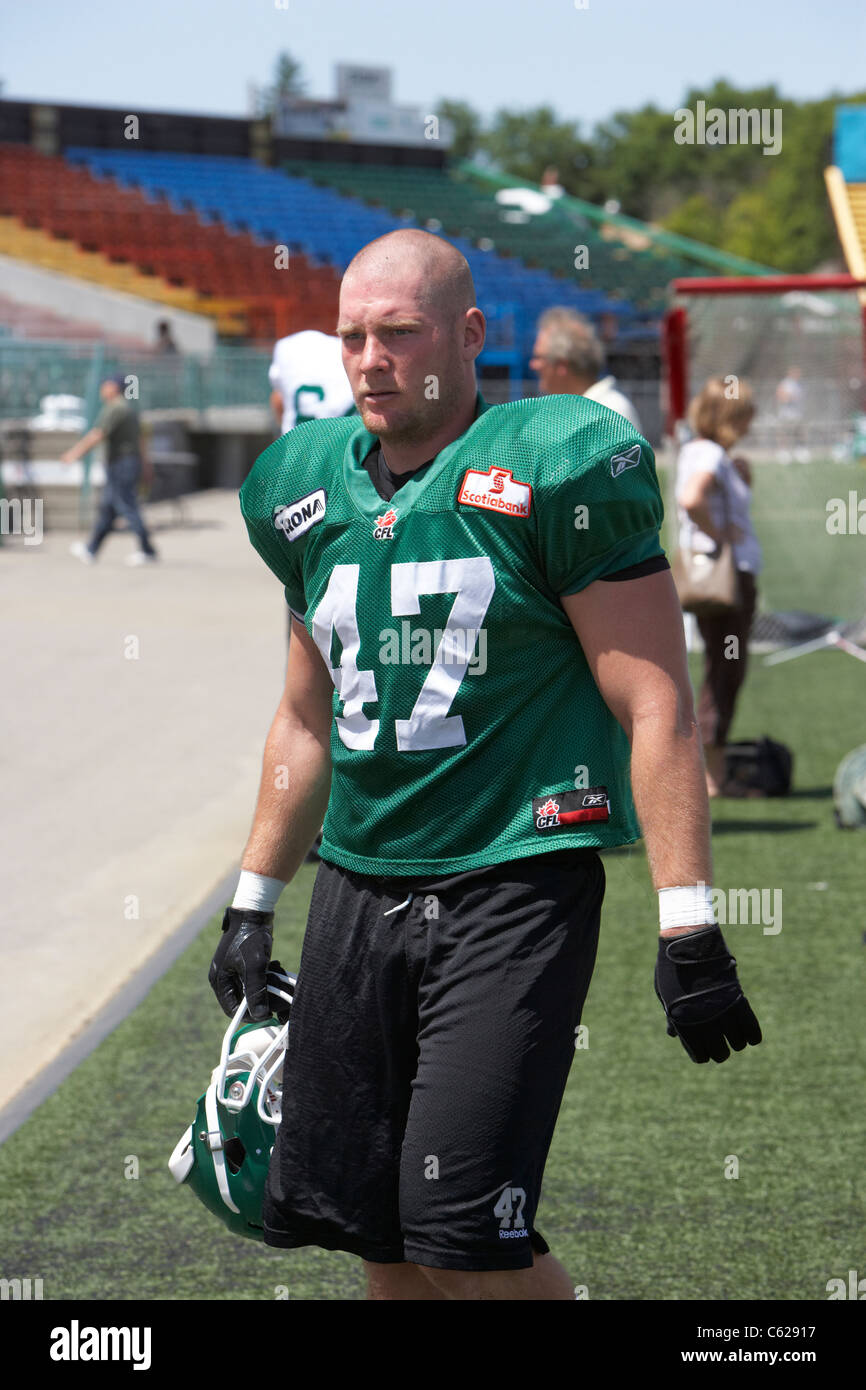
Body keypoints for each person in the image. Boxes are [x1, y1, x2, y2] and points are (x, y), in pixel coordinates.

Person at [209, 229, 761, 1302]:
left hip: (511, 882)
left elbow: (653, 699)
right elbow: (304, 717)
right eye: (352, 337)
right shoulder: (305, 488)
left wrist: (688, 920)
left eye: (398, 333)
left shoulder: (554, 462)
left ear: (468, 335)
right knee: (376, 1234)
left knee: (459, 1227)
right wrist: (251, 903)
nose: (369, 360)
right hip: (356, 886)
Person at [675, 378, 761, 797]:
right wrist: (720, 535)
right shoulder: (710, 454)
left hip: (714, 575)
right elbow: (693, 498)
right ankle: (712, 771)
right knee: (726, 668)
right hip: (727, 578)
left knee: (719, 663)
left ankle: (710, 765)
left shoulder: (698, 451)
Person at [63, 373, 158, 565]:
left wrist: (74, 453)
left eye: (105, 385)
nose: (101, 389)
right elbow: (141, 440)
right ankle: (91, 549)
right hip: (127, 463)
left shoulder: (115, 408)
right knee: (108, 508)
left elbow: (98, 434)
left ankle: (147, 550)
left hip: (121, 464)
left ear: (114, 387)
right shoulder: (128, 409)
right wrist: (146, 465)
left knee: (127, 506)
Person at [530, 306, 642, 432]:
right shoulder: (569, 411)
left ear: (562, 365)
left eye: (539, 357)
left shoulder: (610, 412)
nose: (533, 365)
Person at [268, 328, 356, 438]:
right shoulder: (355, 351)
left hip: (296, 444)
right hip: (350, 444)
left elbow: (278, 400)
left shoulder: (289, 347)